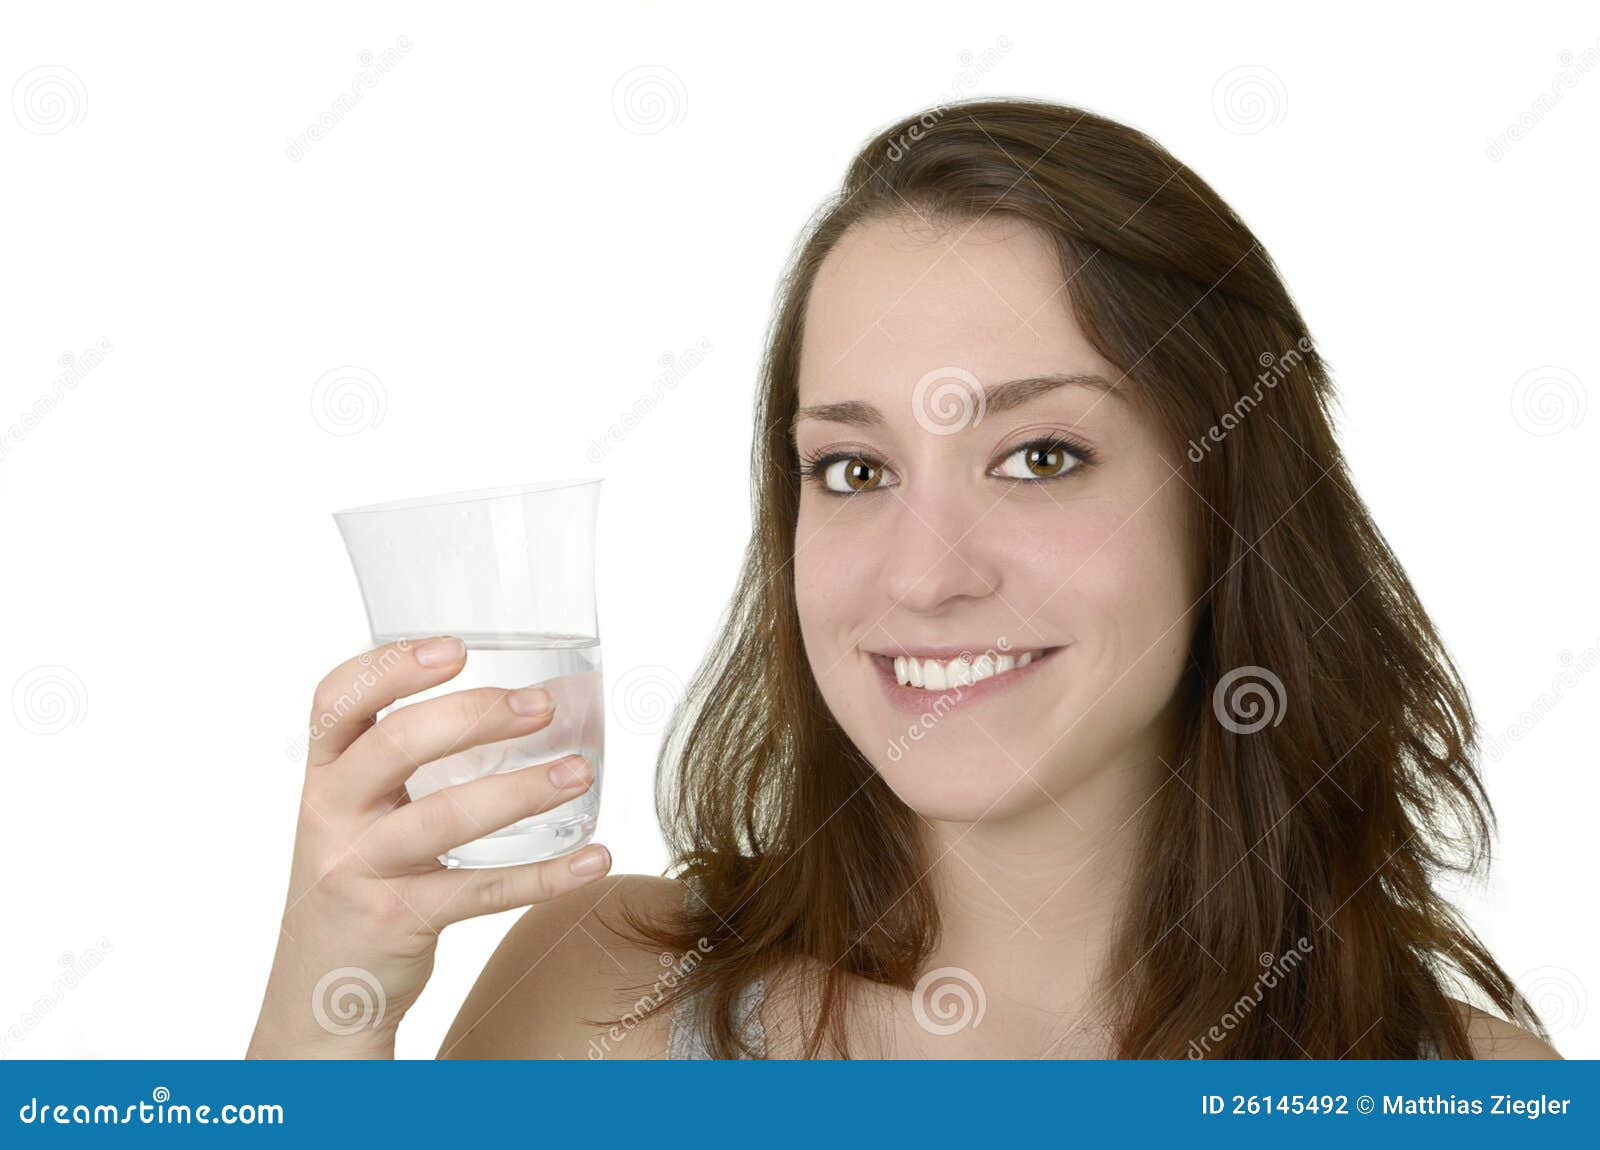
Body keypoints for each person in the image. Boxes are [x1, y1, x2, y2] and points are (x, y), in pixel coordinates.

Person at [248, 98, 1562, 1060]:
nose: (924, 577)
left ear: (1225, 504)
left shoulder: (1462, 1085)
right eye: (855, 470)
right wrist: (330, 990)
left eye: (1040, 455)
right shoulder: (607, 1003)